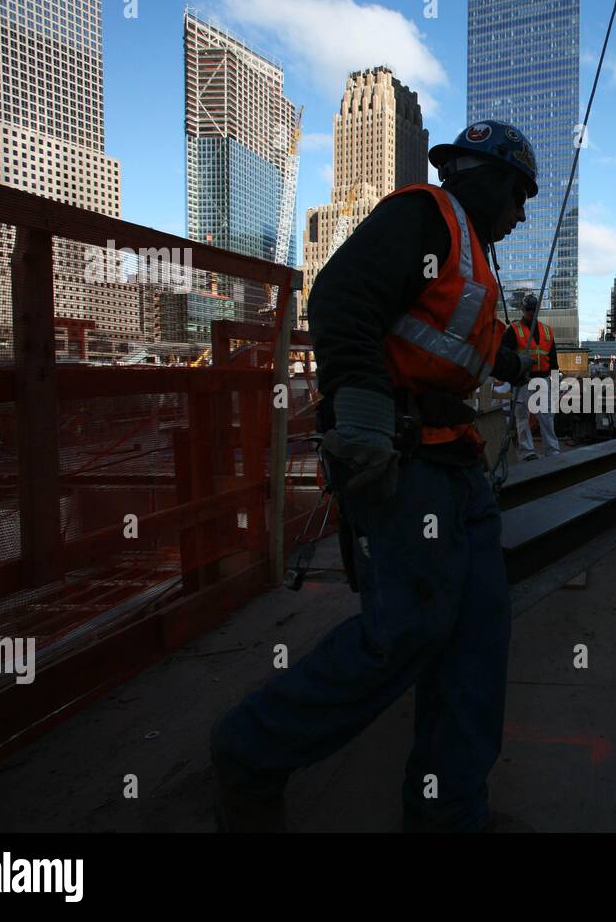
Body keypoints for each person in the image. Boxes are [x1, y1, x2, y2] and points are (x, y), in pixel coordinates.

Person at [209, 120, 539, 833]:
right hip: (404, 458)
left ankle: (450, 815)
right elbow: (340, 300)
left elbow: (454, 336)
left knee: (476, 635)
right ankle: (250, 750)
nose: (520, 214)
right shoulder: (425, 215)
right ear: (490, 179)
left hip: (455, 463)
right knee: (406, 629)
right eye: (520, 196)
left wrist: (516, 360)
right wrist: (357, 419)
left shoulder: (473, 255)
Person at [504, 292, 559, 460]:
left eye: (533, 309)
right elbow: (505, 355)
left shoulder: (547, 331)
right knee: (522, 417)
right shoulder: (514, 330)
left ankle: (552, 450)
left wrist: (555, 383)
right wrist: (512, 375)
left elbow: (553, 359)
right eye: (528, 309)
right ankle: (528, 452)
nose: (530, 312)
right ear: (523, 310)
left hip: (542, 379)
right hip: (523, 380)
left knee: (546, 417)